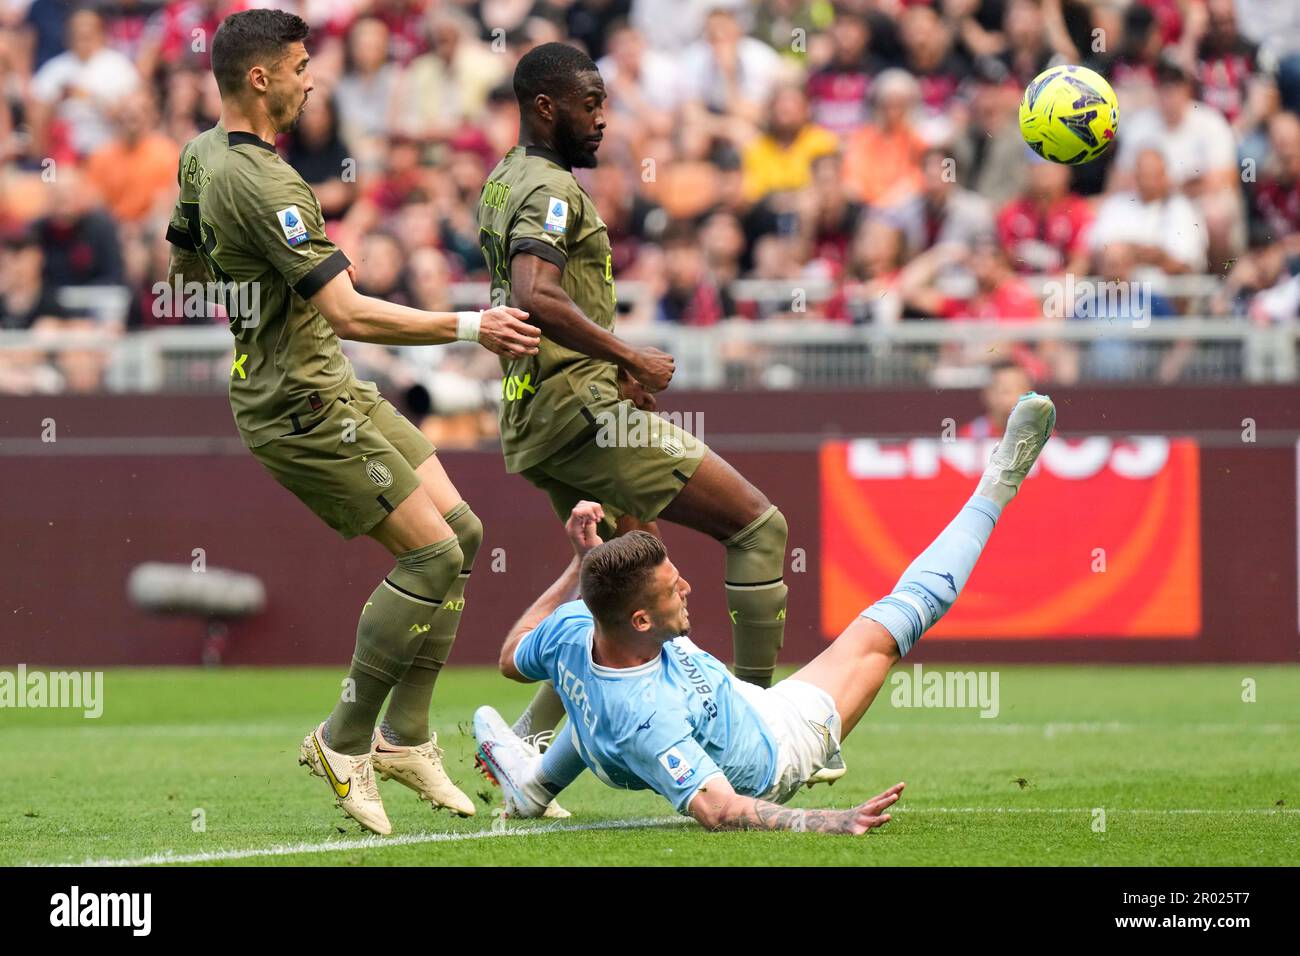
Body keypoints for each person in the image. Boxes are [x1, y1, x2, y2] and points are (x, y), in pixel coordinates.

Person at [163, 9, 541, 835]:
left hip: (326, 382)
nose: (311, 79)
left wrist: (271, 286)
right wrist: (473, 326)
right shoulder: (267, 182)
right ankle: (344, 739)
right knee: (434, 553)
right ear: (259, 79)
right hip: (300, 404)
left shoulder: (199, 155)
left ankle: (404, 737)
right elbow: (347, 313)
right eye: (300, 66)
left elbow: (184, 267)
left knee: (464, 532)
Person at [474, 393, 1057, 832]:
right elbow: (720, 809)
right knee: (899, 617)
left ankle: (534, 784)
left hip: (655, 714)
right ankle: (999, 483)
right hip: (780, 745)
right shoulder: (646, 719)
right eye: (673, 591)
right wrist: (825, 820)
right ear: (642, 621)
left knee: (590, 693)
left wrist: (582, 564)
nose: (688, 590)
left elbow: (511, 653)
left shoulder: (577, 627)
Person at [475, 42, 801, 800]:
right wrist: (629, 355)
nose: (602, 118)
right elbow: (534, 294)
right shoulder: (551, 188)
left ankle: (528, 755)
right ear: (545, 106)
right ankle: (755, 727)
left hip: (540, 414)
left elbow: (539, 302)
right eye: (589, 103)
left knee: (614, 592)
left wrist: (605, 365)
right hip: (585, 414)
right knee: (759, 528)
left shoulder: (501, 181)